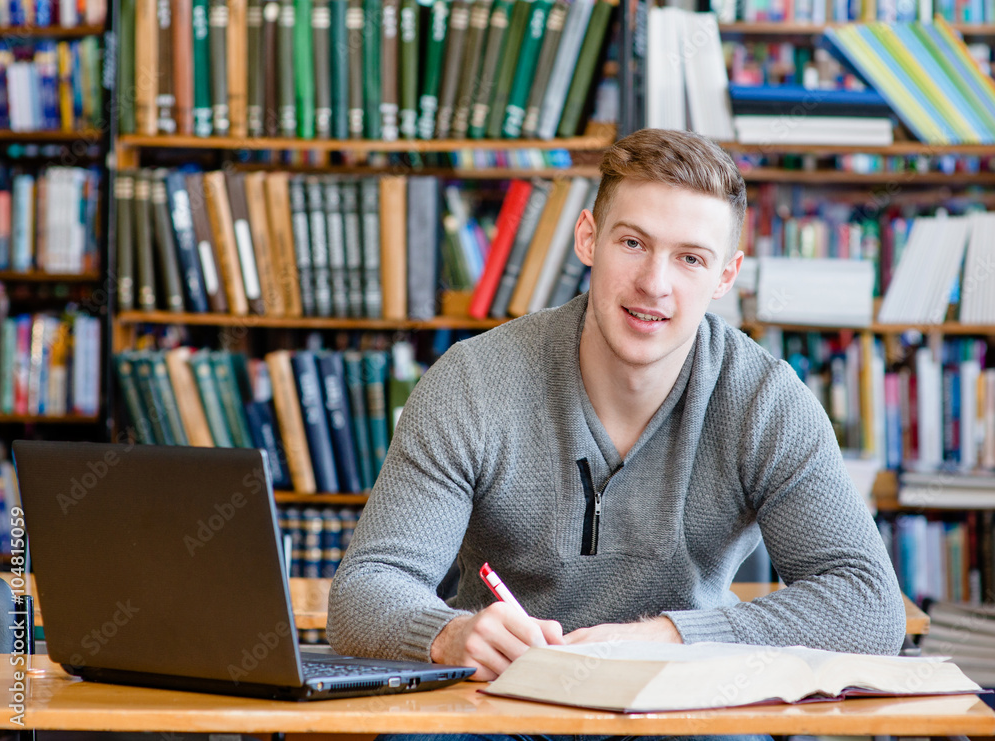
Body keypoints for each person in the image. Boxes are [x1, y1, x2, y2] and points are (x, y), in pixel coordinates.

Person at [327, 129, 906, 686]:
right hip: (499, 697)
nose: (654, 283)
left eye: (691, 260)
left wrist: (673, 639)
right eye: (633, 243)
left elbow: (869, 604)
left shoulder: (766, 403)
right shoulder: (471, 382)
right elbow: (365, 590)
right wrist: (448, 635)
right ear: (588, 238)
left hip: (681, 701)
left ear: (727, 274)